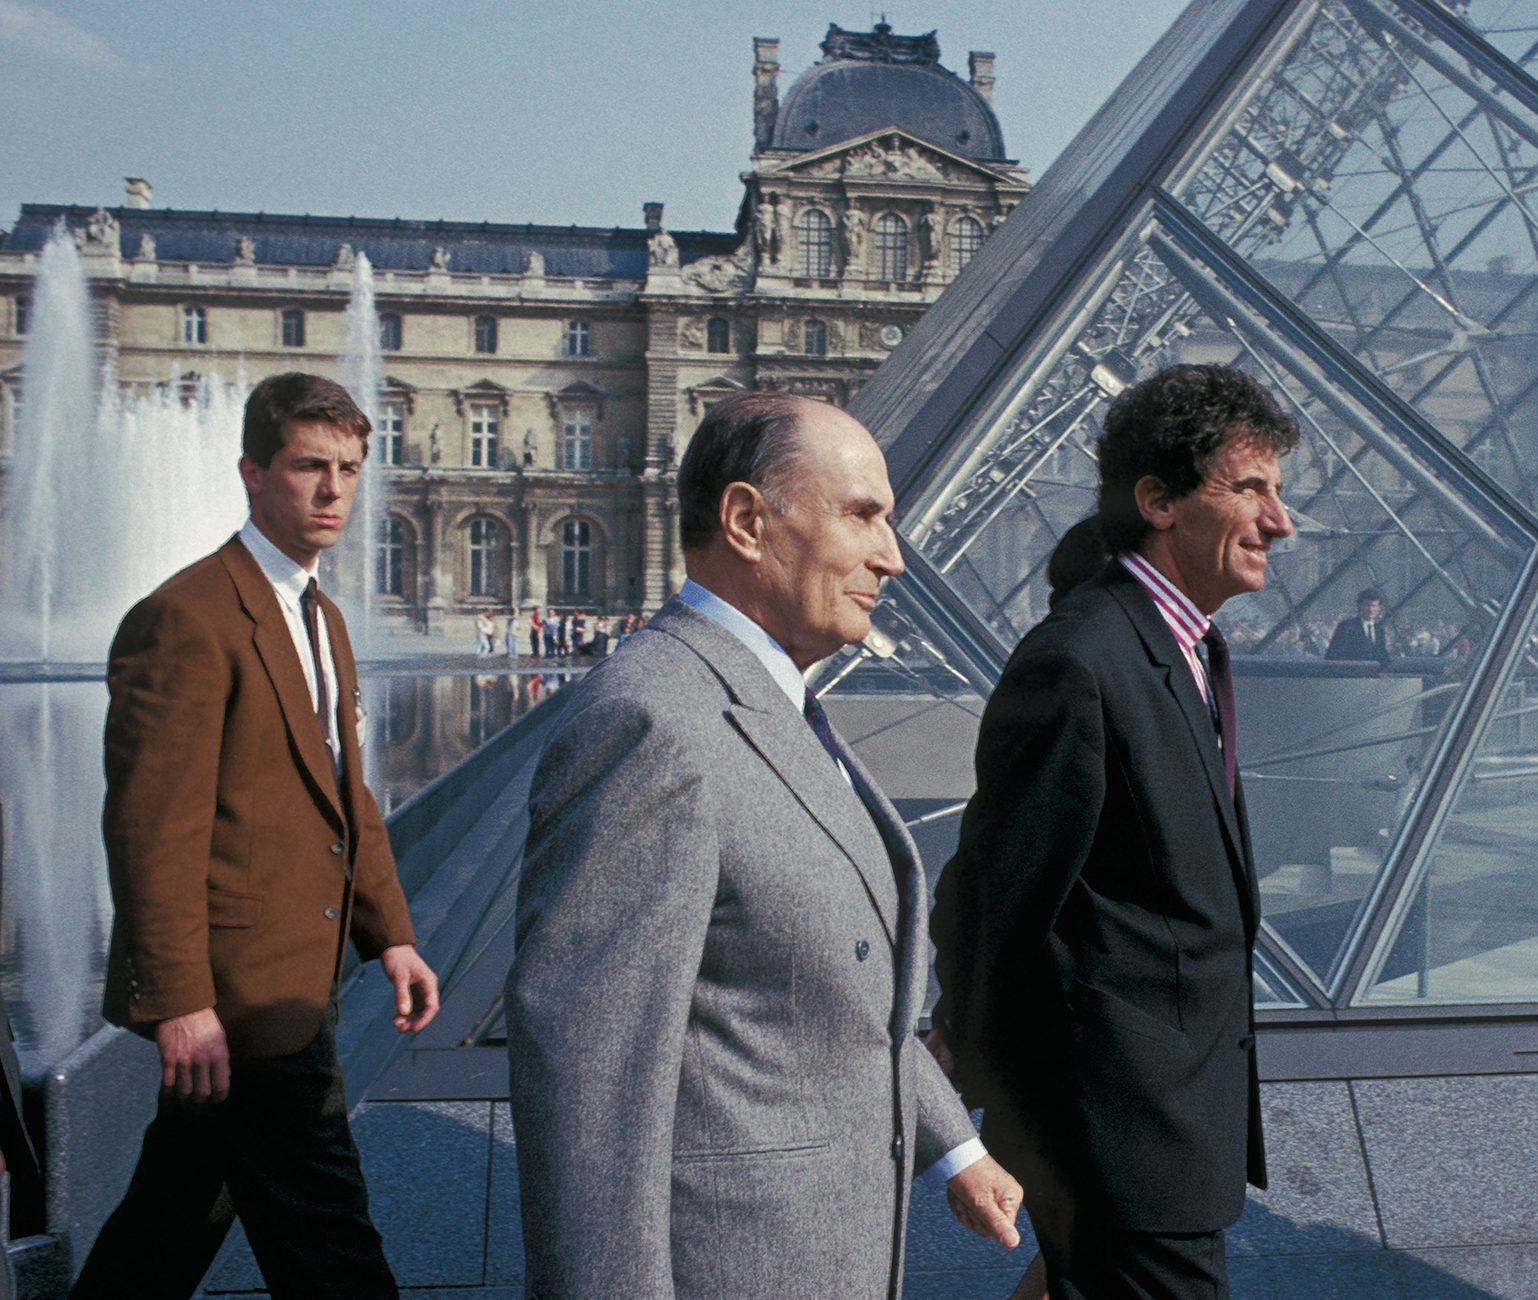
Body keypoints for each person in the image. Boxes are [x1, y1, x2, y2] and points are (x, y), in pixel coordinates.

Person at [507, 391, 1022, 1299]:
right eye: (862, 515)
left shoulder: (769, 699)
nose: (892, 556)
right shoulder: (651, 720)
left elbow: (836, 997)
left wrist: (956, 1147)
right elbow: (592, 1088)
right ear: (747, 520)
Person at [72, 372, 439, 1300]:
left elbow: (345, 797)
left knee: (173, 1214)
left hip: (296, 970)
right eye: (309, 466)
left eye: (350, 469)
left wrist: (388, 934)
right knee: (333, 1243)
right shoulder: (186, 618)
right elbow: (151, 832)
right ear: (252, 473)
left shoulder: (322, 616)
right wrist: (181, 1001)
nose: (334, 492)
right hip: (244, 998)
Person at [932, 363, 1295, 1299]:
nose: (1278, 522)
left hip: (1163, 1124)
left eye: (1277, 492)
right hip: (1117, 1137)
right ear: (1157, 501)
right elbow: (998, 889)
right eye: (1250, 488)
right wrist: (963, 1091)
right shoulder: (1080, 660)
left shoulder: (1188, 646)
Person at [1324, 586, 1392, 665]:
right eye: (1367, 605)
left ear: (1379, 608)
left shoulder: (1379, 630)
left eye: (1374, 606)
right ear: (1359, 605)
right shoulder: (1346, 627)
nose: (1370, 609)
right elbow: (1333, 656)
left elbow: (1383, 657)